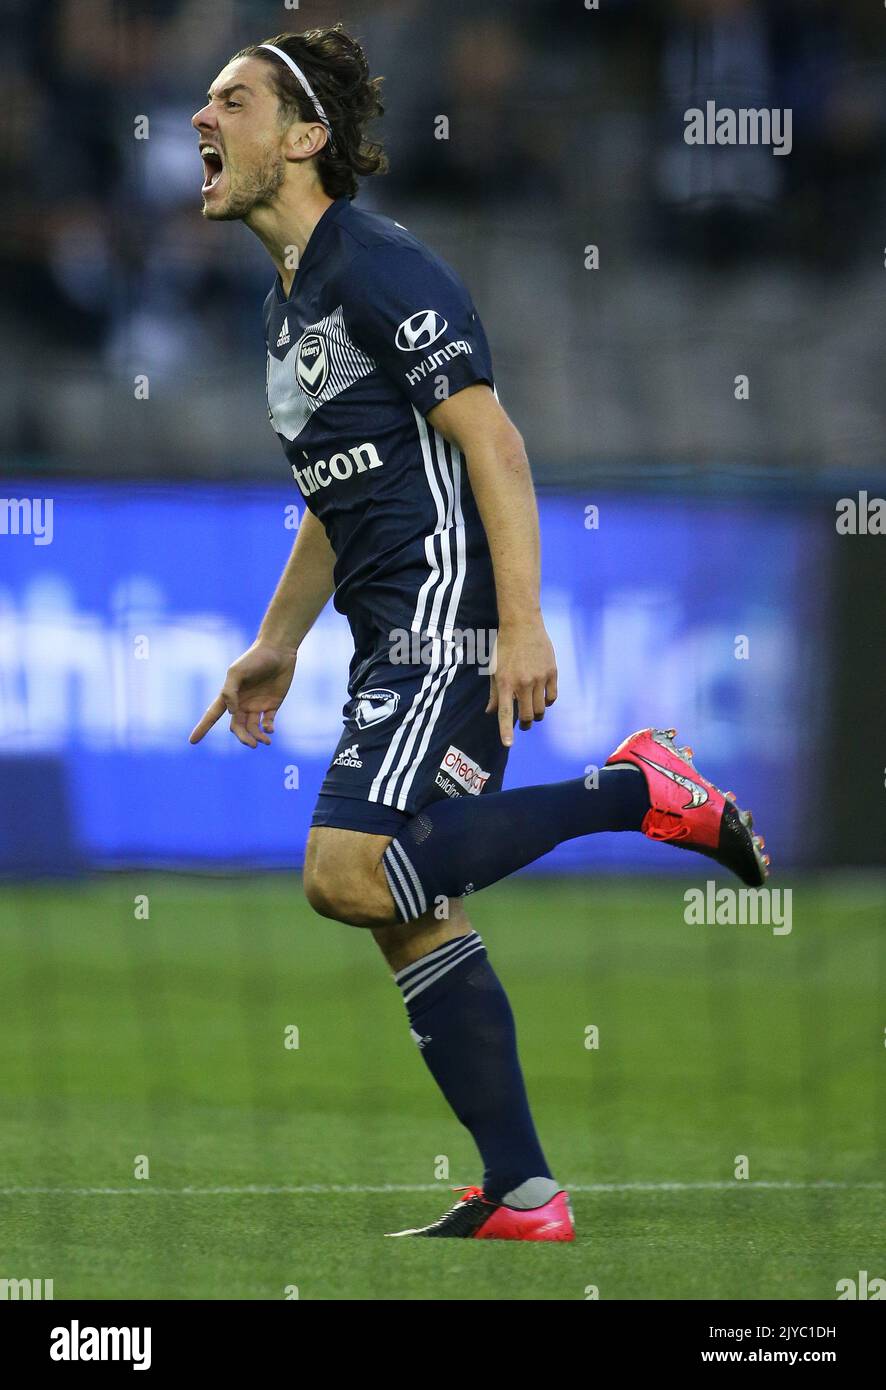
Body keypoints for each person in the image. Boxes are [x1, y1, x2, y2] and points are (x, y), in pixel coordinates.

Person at [189, 25, 768, 1241]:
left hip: (444, 618)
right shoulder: (290, 303)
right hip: (384, 631)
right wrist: (278, 642)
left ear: (304, 138)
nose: (203, 118)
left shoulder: (378, 269)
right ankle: (524, 1191)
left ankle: (634, 790)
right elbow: (337, 497)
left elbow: (493, 440)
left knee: (345, 873)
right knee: (408, 907)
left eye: (232, 101)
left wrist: (521, 622)